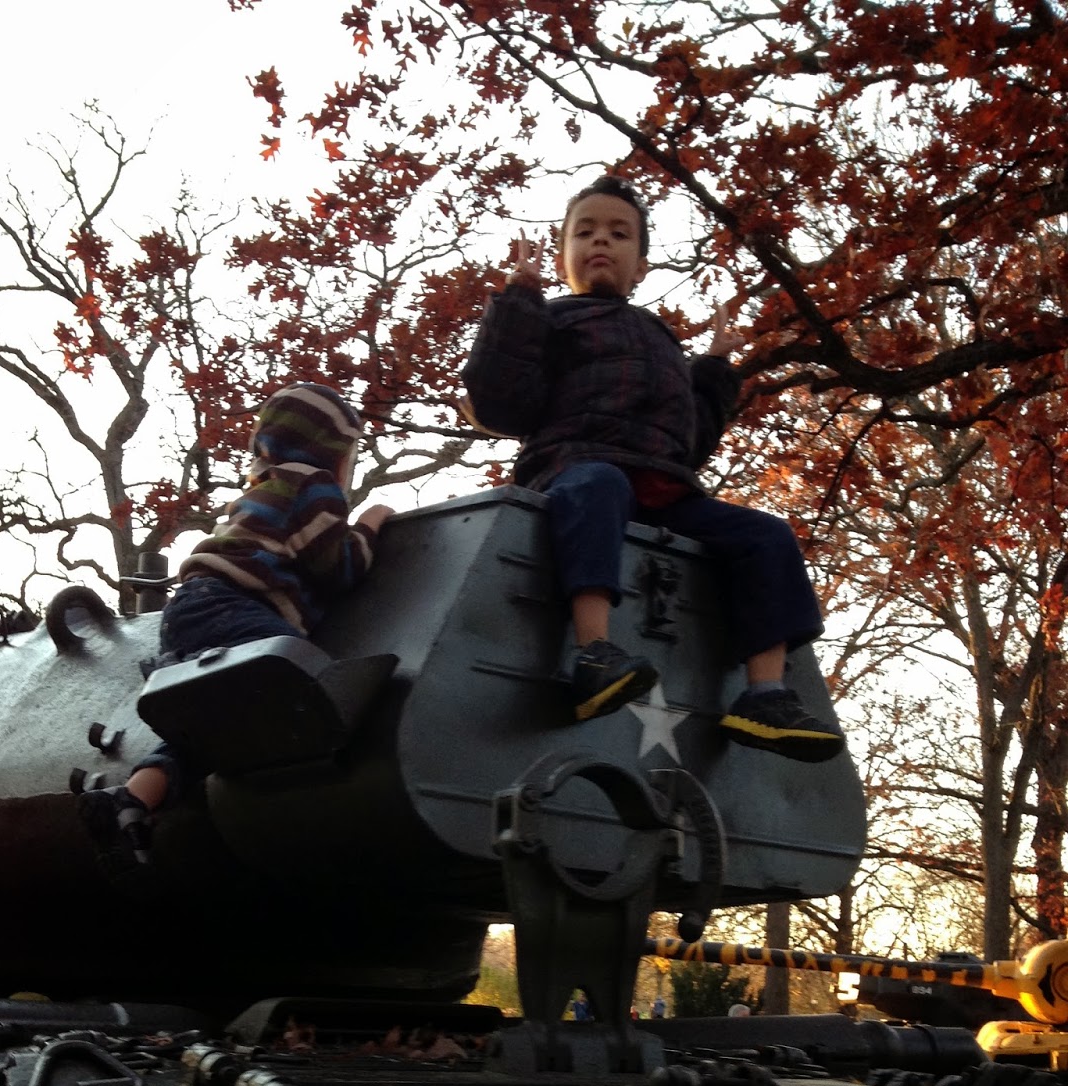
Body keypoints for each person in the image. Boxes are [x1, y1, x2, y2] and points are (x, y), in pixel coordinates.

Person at [462, 175, 844, 759]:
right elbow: (502, 401)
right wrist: (518, 302)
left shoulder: (662, 340)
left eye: (619, 234)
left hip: (666, 489)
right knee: (601, 483)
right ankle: (595, 654)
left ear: (640, 265)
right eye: (584, 231)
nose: (600, 240)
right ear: (563, 255)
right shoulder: (551, 320)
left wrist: (714, 368)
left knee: (764, 535)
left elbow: (686, 440)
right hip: (575, 469)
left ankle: (765, 694)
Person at [78, 381, 394, 870]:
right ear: (330, 451)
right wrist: (370, 523)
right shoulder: (312, 485)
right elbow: (339, 567)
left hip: (188, 613)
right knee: (294, 673)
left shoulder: (262, 491)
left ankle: (130, 800)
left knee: (211, 733)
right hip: (231, 607)